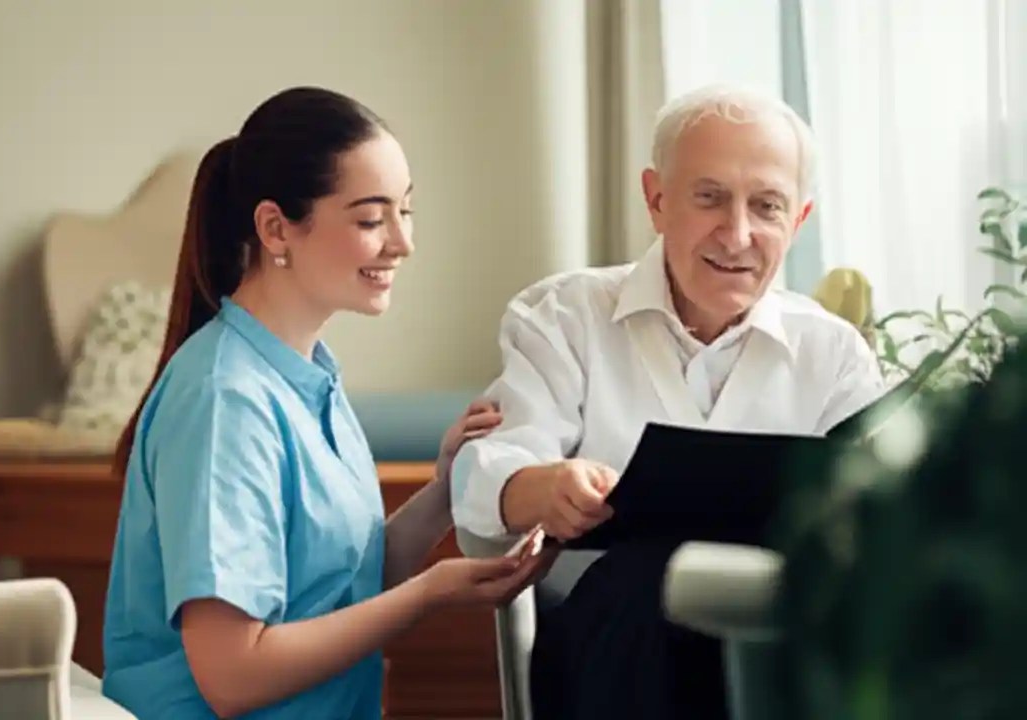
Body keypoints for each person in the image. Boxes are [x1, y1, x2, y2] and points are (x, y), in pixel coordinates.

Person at [100, 86, 557, 720]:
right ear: (274, 228)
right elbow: (232, 676)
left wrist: (444, 494)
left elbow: (334, 591)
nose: (403, 242)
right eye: (371, 219)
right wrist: (428, 594)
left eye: (406, 211)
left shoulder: (306, 374)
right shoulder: (224, 402)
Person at [450, 85, 887, 719]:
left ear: (797, 220)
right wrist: (540, 487)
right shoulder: (565, 316)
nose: (737, 234)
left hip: (777, 638)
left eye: (766, 207)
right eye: (709, 198)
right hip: (612, 646)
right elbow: (491, 469)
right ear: (657, 200)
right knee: (650, 577)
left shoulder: (835, 353)